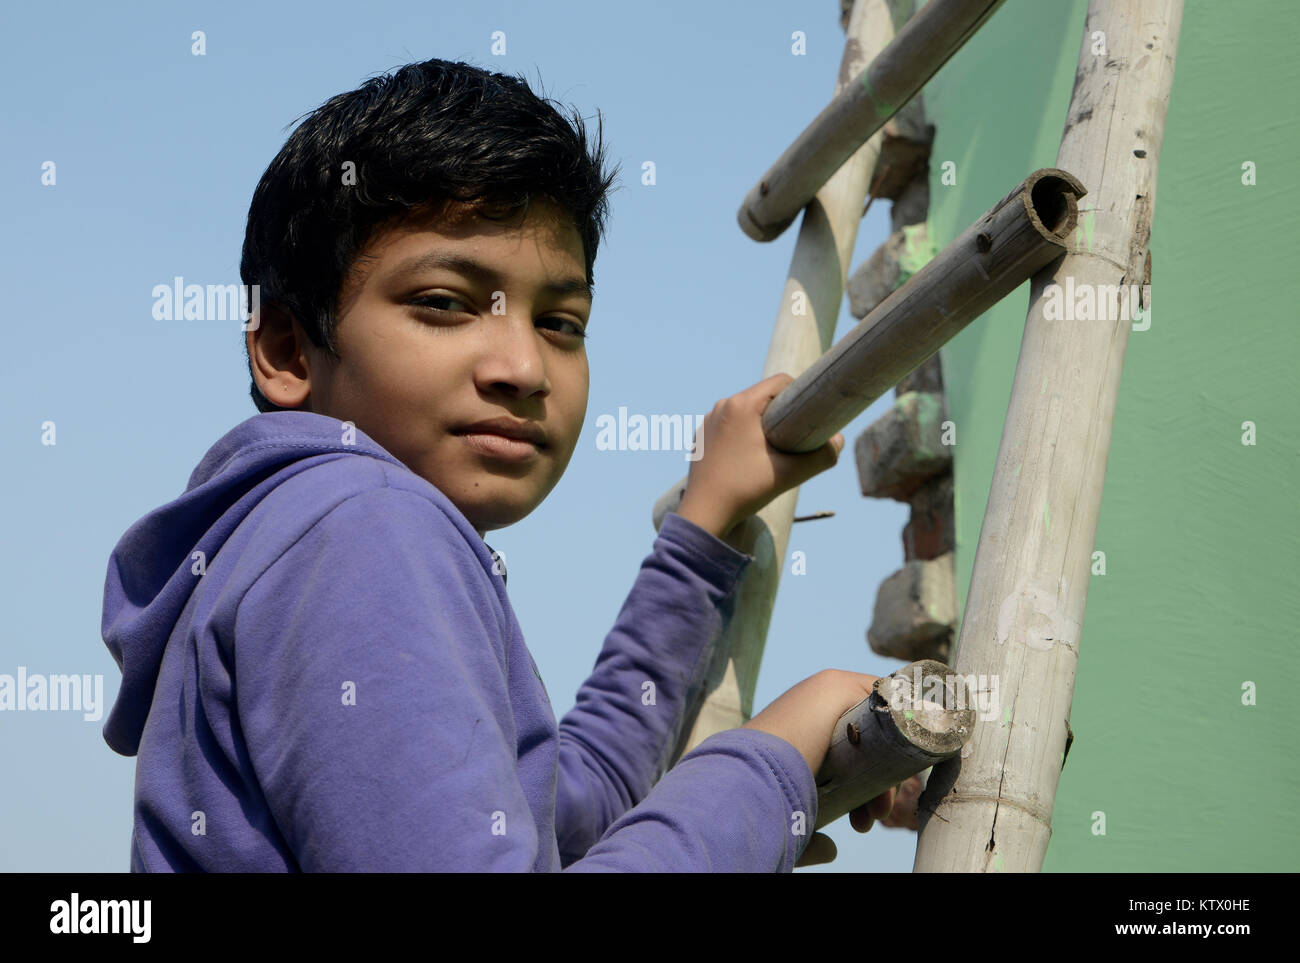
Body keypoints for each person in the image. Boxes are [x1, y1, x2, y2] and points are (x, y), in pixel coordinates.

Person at [100, 57, 905, 872]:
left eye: (561, 321)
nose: (522, 365)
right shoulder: (358, 523)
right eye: (445, 303)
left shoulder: (297, 540)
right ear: (286, 347)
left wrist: (699, 535)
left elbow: (571, 804)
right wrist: (772, 760)